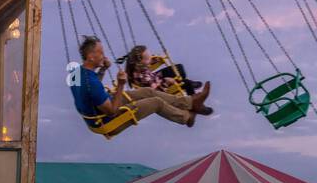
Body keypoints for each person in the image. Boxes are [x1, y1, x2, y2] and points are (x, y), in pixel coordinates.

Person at [70, 36, 213, 129]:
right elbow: (112, 111)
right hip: (105, 121)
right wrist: (120, 84)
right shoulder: (92, 84)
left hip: (102, 106)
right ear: (91, 57)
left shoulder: (78, 73)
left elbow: (88, 92)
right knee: (156, 102)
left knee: (148, 92)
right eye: (101, 52)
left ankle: (191, 102)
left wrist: (102, 70)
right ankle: (187, 117)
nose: (104, 56)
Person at [123, 45, 203, 96]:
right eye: (148, 59)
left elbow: (147, 67)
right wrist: (166, 82)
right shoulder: (143, 77)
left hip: (155, 77)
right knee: (186, 83)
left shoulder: (136, 67)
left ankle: (186, 82)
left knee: (179, 68)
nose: (150, 59)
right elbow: (156, 91)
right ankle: (194, 101)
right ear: (139, 63)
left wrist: (152, 61)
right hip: (159, 86)